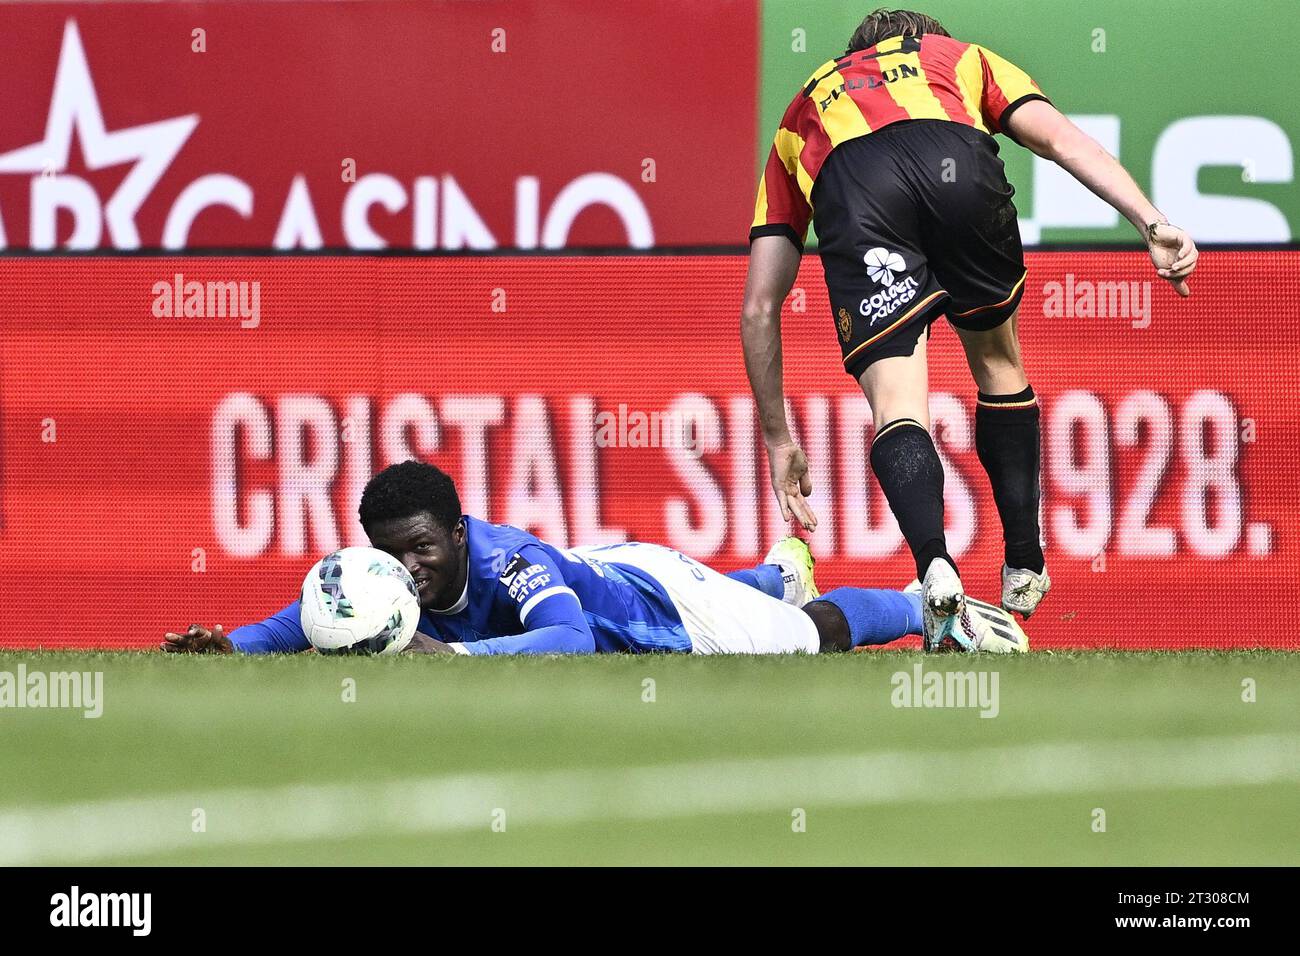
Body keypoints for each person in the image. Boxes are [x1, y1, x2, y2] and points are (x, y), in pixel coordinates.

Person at [740, 7, 1198, 652]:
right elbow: (1063, 141)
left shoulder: (803, 107)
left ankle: (934, 565)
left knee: (899, 404)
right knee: (998, 364)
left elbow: (762, 305)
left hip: (858, 184)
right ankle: (1024, 561)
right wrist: (1152, 222)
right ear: (925, 40)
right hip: (956, 163)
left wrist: (777, 436)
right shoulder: (958, 57)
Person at [162, 460, 1025, 656]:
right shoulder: (389, 572)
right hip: (610, 562)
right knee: (763, 596)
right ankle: (770, 572)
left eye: (422, 551)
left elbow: (572, 645)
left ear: (459, 537)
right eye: (394, 557)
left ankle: (923, 606)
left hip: (659, 604)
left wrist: (450, 655)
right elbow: (313, 614)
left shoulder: (509, 561)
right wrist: (232, 647)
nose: (408, 572)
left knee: (803, 639)